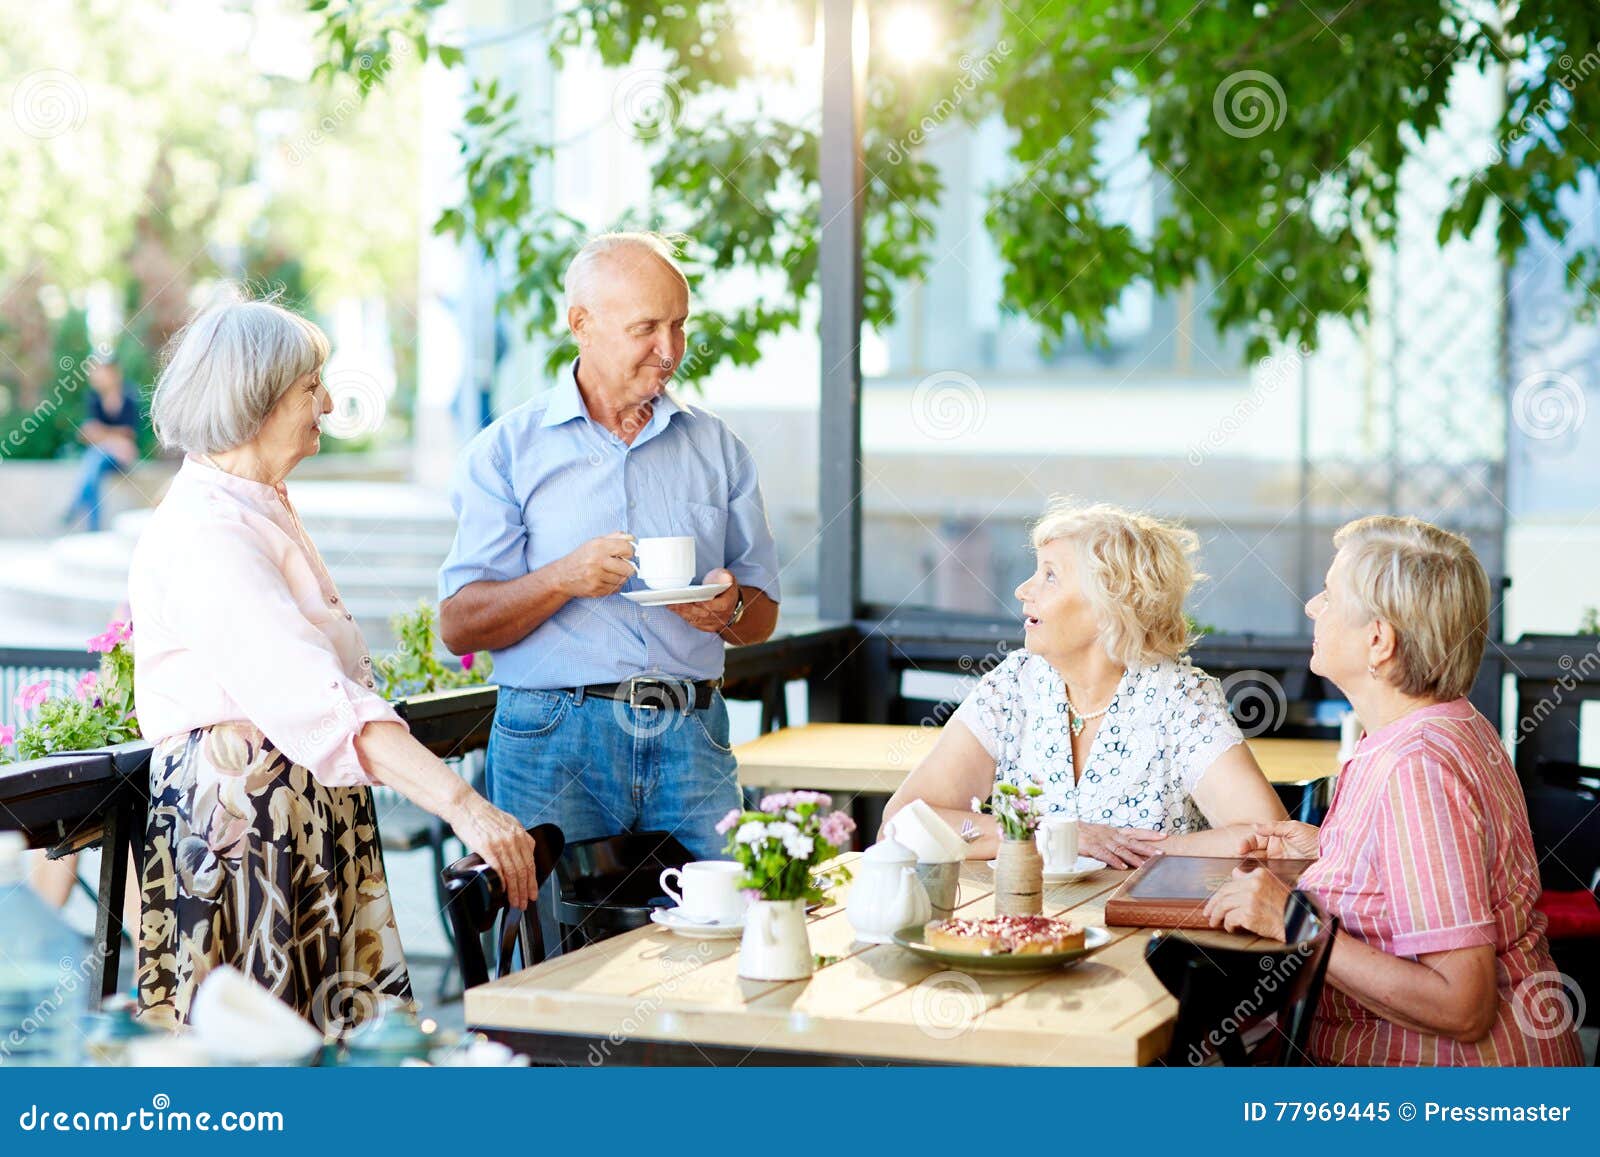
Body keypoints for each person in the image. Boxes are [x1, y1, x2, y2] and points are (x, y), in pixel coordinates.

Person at [130, 291, 537, 1031]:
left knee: (328, 1050)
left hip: (299, 818)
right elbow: (318, 697)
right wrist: (465, 806)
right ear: (256, 399)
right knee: (265, 1061)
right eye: (309, 385)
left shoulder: (256, 501)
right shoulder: (206, 530)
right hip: (244, 833)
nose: (325, 400)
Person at [439, 232, 781, 861]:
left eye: (679, 325)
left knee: (729, 927)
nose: (670, 349)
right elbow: (460, 626)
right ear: (582, 324)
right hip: (551, 736)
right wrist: (561, 579)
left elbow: (761, 618)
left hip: (692, 733)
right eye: (646, 327)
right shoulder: (506, 451)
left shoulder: (720, 449)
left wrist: (727, 609)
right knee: (546, 947)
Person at [1206, 516, 1582, 1065]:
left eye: (1330, 597)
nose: (1313, 607)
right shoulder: (1447, 725)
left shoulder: (1415, 768)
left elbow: (1462, 1006)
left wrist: (1292, 920)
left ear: (1378, 640)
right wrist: (1335, 851)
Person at [883, 501, 1287, 865]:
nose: (1023, 590)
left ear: (1109, 606)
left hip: (1142, 939)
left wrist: (1145, 851)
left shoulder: (1180, 699)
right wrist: (1053, 836)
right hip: (1022, 929)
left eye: (1050, 576)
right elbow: (901, 826)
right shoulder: (1013, 686)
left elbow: (1273, 841)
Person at [65, 354, 141, 532]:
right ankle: (93, 529)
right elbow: (86, 434)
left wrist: (103, 434)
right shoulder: (94, 399)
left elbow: (129, 433)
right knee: (93, 473)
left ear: (114, 373)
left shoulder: (129, 396)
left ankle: (75, 508)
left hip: (121, 458)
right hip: (105, 454)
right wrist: (115, 439)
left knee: (94, 461)